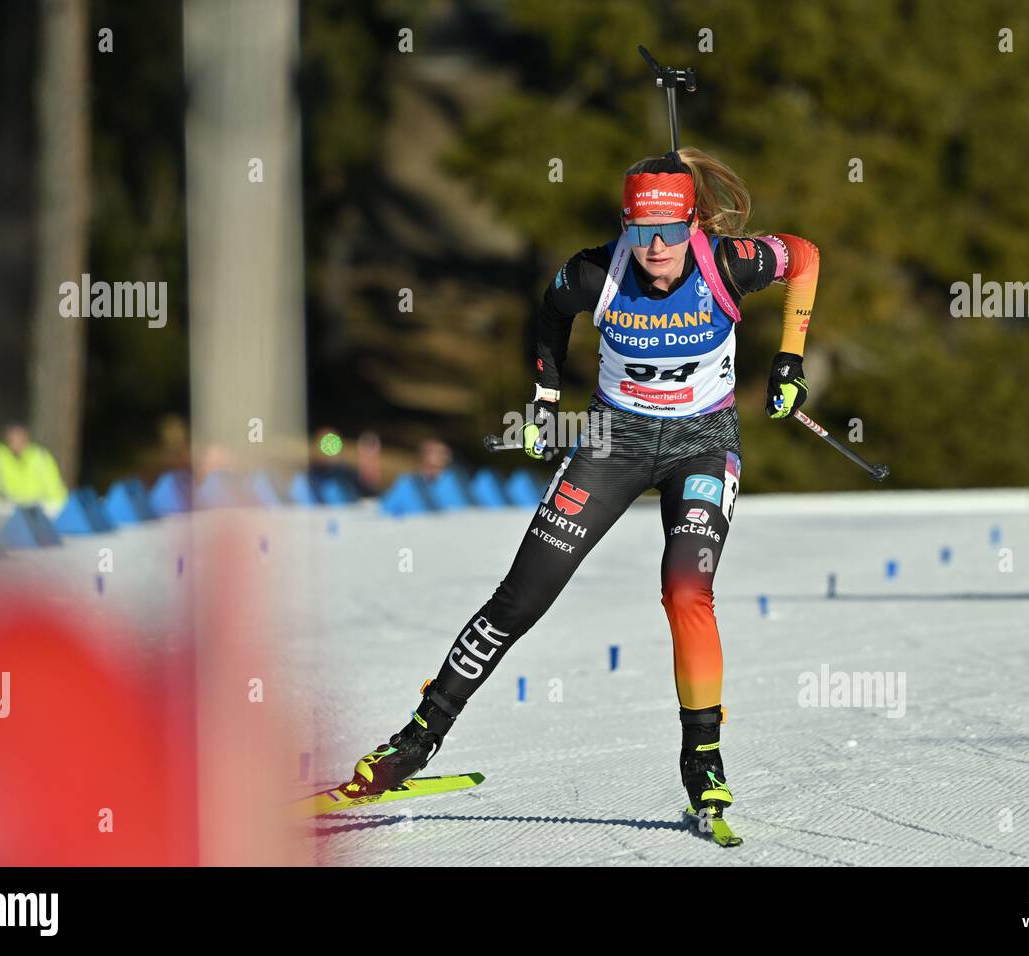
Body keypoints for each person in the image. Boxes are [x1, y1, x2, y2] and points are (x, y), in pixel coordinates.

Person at [344, 147, 820, 829]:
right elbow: (549, 313)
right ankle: (415, 740)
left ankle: (703, 759)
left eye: (669, 229)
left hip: (704, 446)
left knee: (687, 590)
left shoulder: (730, 263)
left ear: (693, 224)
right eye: (640, 230)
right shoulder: (594, 272)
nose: (655, 247)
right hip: (612, 442)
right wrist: (542, 396)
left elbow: (804, 257)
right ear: (624, 226)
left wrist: (790, 358)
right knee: (522, 596)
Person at [0, 422, 69, 512]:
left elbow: (56, 492)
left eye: (19, 434)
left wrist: (54, 511)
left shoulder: (41, 456)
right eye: (12, 433)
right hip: (2, 514)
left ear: (27, 436)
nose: (15, 439)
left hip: (35, 515)